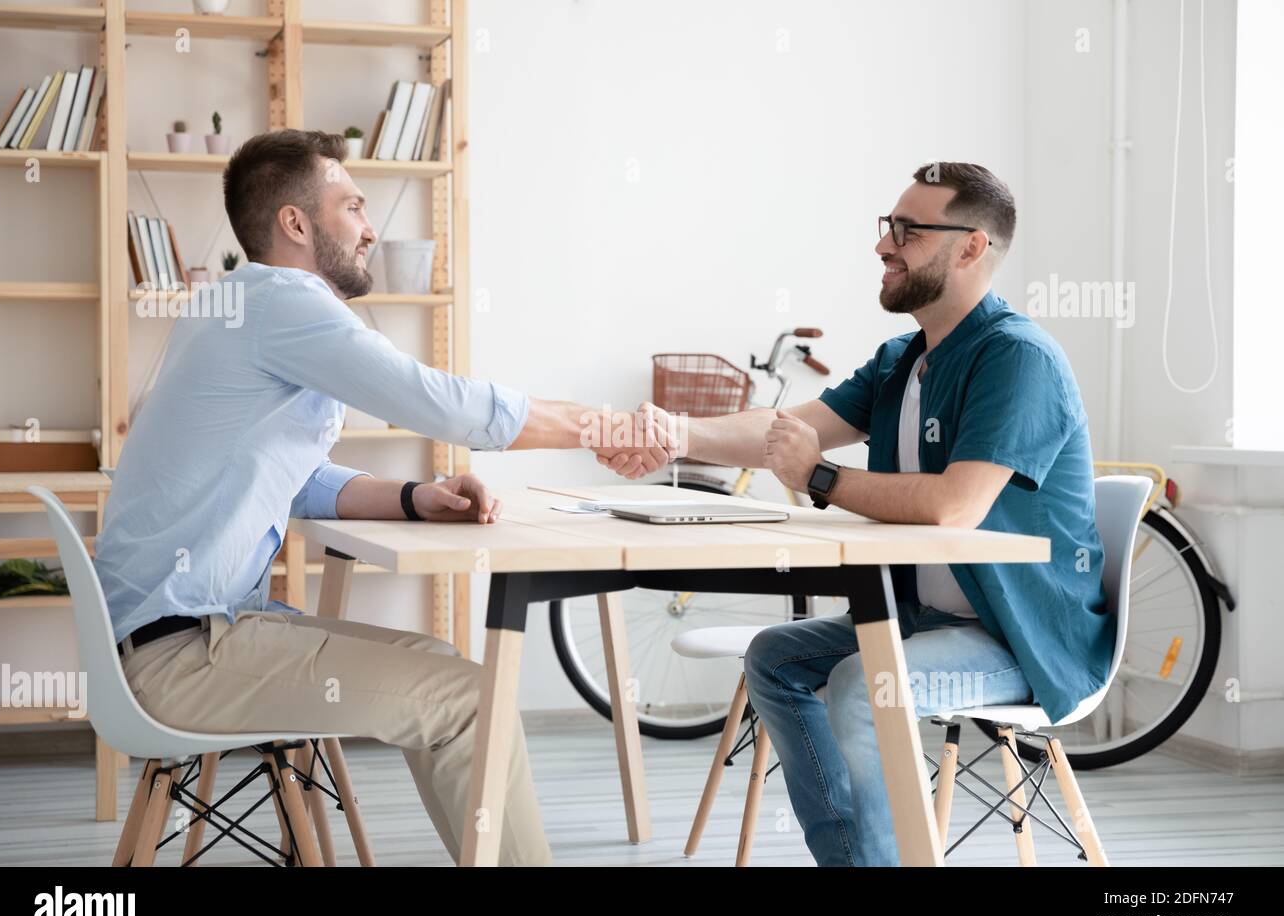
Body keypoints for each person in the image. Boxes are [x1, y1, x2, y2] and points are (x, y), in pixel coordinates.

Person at [96, 129, 672, 866]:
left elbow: (288, 476)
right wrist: (608, 425)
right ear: (296, 224)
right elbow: (448, 406)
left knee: (446, 668)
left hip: (168, 642)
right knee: (471, 702)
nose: (371, 229)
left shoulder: (229, 306)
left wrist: (412, 497)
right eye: (353, 207)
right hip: (184, 657)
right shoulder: (283, 302)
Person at [607, 163, 1112, 866]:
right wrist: (677, 435)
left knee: (856, 684)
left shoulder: (1017, 359)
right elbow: (786, 427)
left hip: (1018, 642)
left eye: (908, 231)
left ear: (970, 247)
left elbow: (953, 508)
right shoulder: (903, 359)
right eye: (887, 227)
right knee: (774, 658)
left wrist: (819, 476)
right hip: (920, 622)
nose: (884, 246)